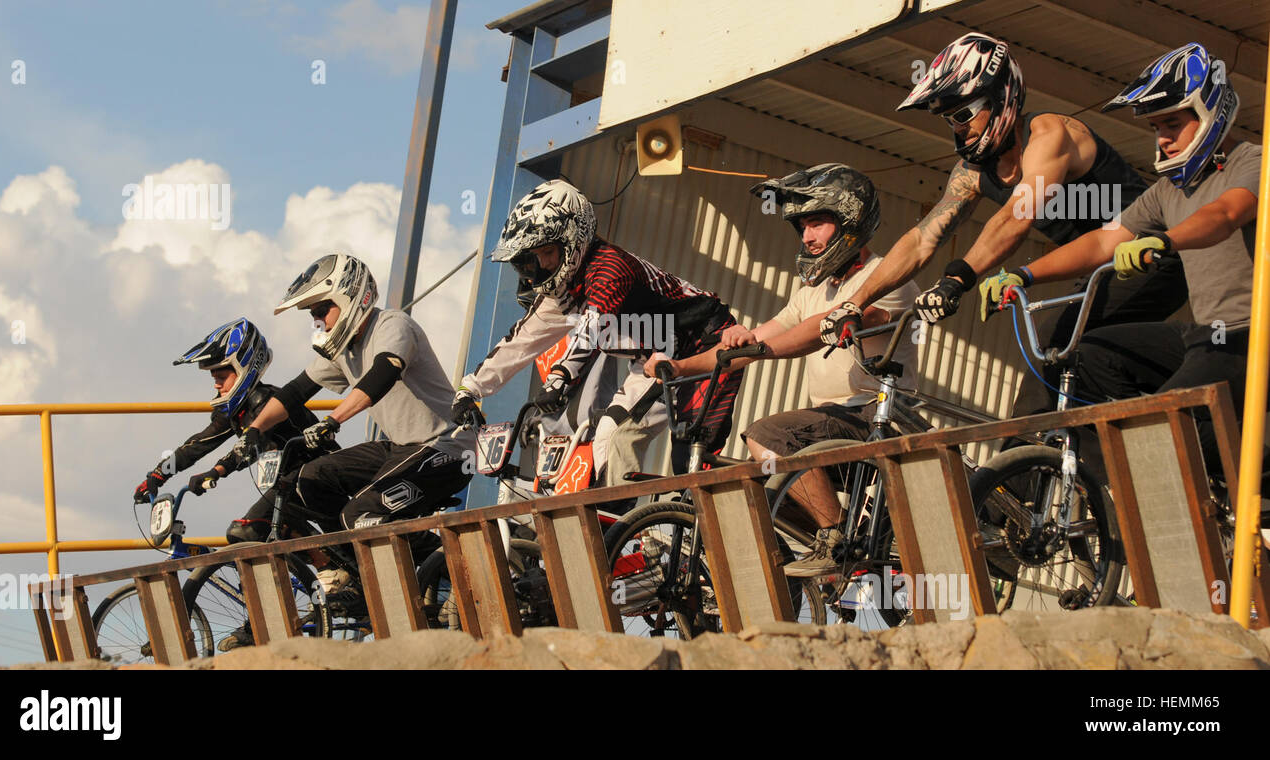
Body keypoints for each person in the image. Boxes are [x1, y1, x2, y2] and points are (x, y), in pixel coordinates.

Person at [764, 33, 1187, 419]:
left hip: (1153, 254)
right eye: (948, 118)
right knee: (1069, 361)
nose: (958, 127)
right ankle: (1077, 469)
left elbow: (1016, 216)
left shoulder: (1051, 134)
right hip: (1098, 268)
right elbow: (921, 239)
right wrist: (854, 302)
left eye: (964, 112)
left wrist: (956, 280)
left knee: (1054, 340)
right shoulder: (972, 171)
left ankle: (1029, 472)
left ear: (1002, 96)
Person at [977, 42, 1255, 485]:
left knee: (1157, 423)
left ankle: (1169, 477)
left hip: (1248, 338)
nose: (1163, 136)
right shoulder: (1169, 189)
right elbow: (1102, 242)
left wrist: (1164, 240)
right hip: (1203, 336)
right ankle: (1110, 498)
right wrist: (1024, 275)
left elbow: (1224, 216)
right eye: (1156, 126)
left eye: (1172, 122)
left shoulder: (1252, 162)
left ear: (1211, 113)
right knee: (1088, 360)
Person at [643, 164, 919, 576]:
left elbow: (817, 330)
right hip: (833, 427)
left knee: (768, 434)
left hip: (876, 418)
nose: (807, 237)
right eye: (803, 227)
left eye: (818, 223)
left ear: (851, 220)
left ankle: (835, 537)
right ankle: (831, 544)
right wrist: (679, 365)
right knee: (754, 478)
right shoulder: (812, 289)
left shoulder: (887, 278)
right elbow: (756, 340)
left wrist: (759, 347)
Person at [451, 179, 745, 485]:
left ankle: (745, 516)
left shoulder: (609, 268)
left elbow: (592, 328)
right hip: (655, 357)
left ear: (573, 239)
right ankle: (627, 530)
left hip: (704, 340)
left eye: (547, 252)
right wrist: (469, 390)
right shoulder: (562, 288)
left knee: (692, 460)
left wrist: (560, 378)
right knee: (610, 434)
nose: (538, 267)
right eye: (529, 260)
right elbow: (519, 343)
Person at [233, 252, 474, 544]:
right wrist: (254, 430)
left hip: (446, 448)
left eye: (322, 310)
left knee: (359, 514)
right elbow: (296, 391)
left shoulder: (393, 325)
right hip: (401, 447)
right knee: (308, 481)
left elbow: (383, 374)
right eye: (313, 315)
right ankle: (353, 574)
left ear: (349, 298)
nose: (318, 322)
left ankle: (428, 563)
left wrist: (332, 421)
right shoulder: (343, 349)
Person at [132, 318, 333, 544]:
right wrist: (159, 474)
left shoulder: (264, 400)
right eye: (214, 378)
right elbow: (200, 443)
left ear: (243, 369)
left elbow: (253, 447)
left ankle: (326, 570)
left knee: (246, 530)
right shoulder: (236, 408)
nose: (216, 385)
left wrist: (217, 471)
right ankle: (321, 571)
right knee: (251, 532)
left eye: (221, 377)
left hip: (318, 475)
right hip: (288, 484)